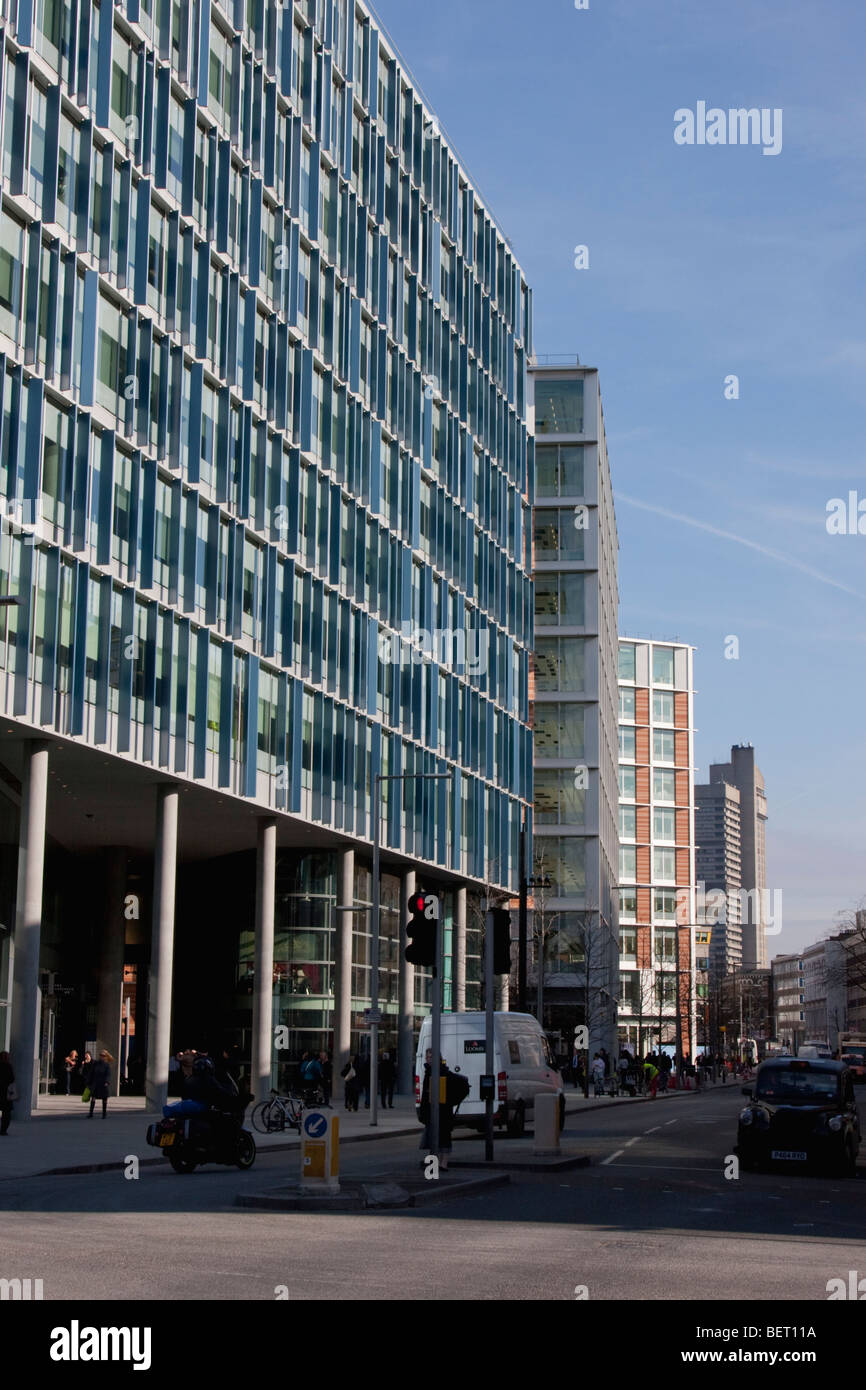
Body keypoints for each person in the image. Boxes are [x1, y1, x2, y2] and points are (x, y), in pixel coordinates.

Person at [418, 1049, 456, 1172]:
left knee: (443, 1136)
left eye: (430, 1057)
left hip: (442, 1110)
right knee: (435, 1136)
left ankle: (443, 1163)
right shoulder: (429, 1071)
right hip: (433, 1109)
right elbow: (425, 1094)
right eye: (427, 1057)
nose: (427, 1059)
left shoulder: (442, 1071)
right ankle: (437, 1163)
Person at [87, 1051, 113, 1118]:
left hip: (103, 1084)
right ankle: (91, 1113)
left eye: (103, 1055)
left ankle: (104, 1114)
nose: (101, 1056)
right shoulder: (95, 1063)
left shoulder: (107, 1065)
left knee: (104, 1099)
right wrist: (89, 1082)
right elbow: (91, 1073)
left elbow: (108, 1074)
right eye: (101, 1055)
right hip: (96, 1083)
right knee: (93, 1098)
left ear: (105, 1057)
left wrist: (107, 1082)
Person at [0, 1052, 15, 1135]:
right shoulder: (8, 1066)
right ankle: (3, 1130)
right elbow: (12, 1079)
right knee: (6, 1113)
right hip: (6, 1092)